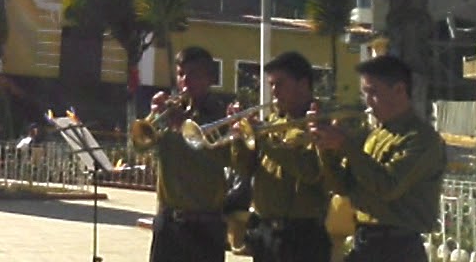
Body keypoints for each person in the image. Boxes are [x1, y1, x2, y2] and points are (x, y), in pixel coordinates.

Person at [310, 55, 446, 262]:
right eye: (365, 93)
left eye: (373, 92)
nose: (368, 101)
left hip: (398, 247)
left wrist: (345, 145)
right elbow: (341, 186)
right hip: (366, 242)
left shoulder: (422, 139)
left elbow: (387, 186)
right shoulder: (374, 135)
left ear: (399, 90)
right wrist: (326, 148)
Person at [233, 51, 332, 262]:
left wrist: (264, 141)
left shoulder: (322, 123)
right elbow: (244, 170)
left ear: (303, 84)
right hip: (266, 232)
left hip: (303, 236)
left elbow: (311, 170)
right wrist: (241, 141)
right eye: (271, 86)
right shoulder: (272, 122)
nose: (274, 92)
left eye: (280, 84)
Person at [139, 46, 230, 262]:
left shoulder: (220, 116)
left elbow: (222, 158)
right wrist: (153, 114)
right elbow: (139, 146)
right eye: (181, 74)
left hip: (206, 225)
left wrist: (185, 126)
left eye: (194, 75)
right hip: (169, 223)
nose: (185, 82)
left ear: (210, 78)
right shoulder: (168, 112)